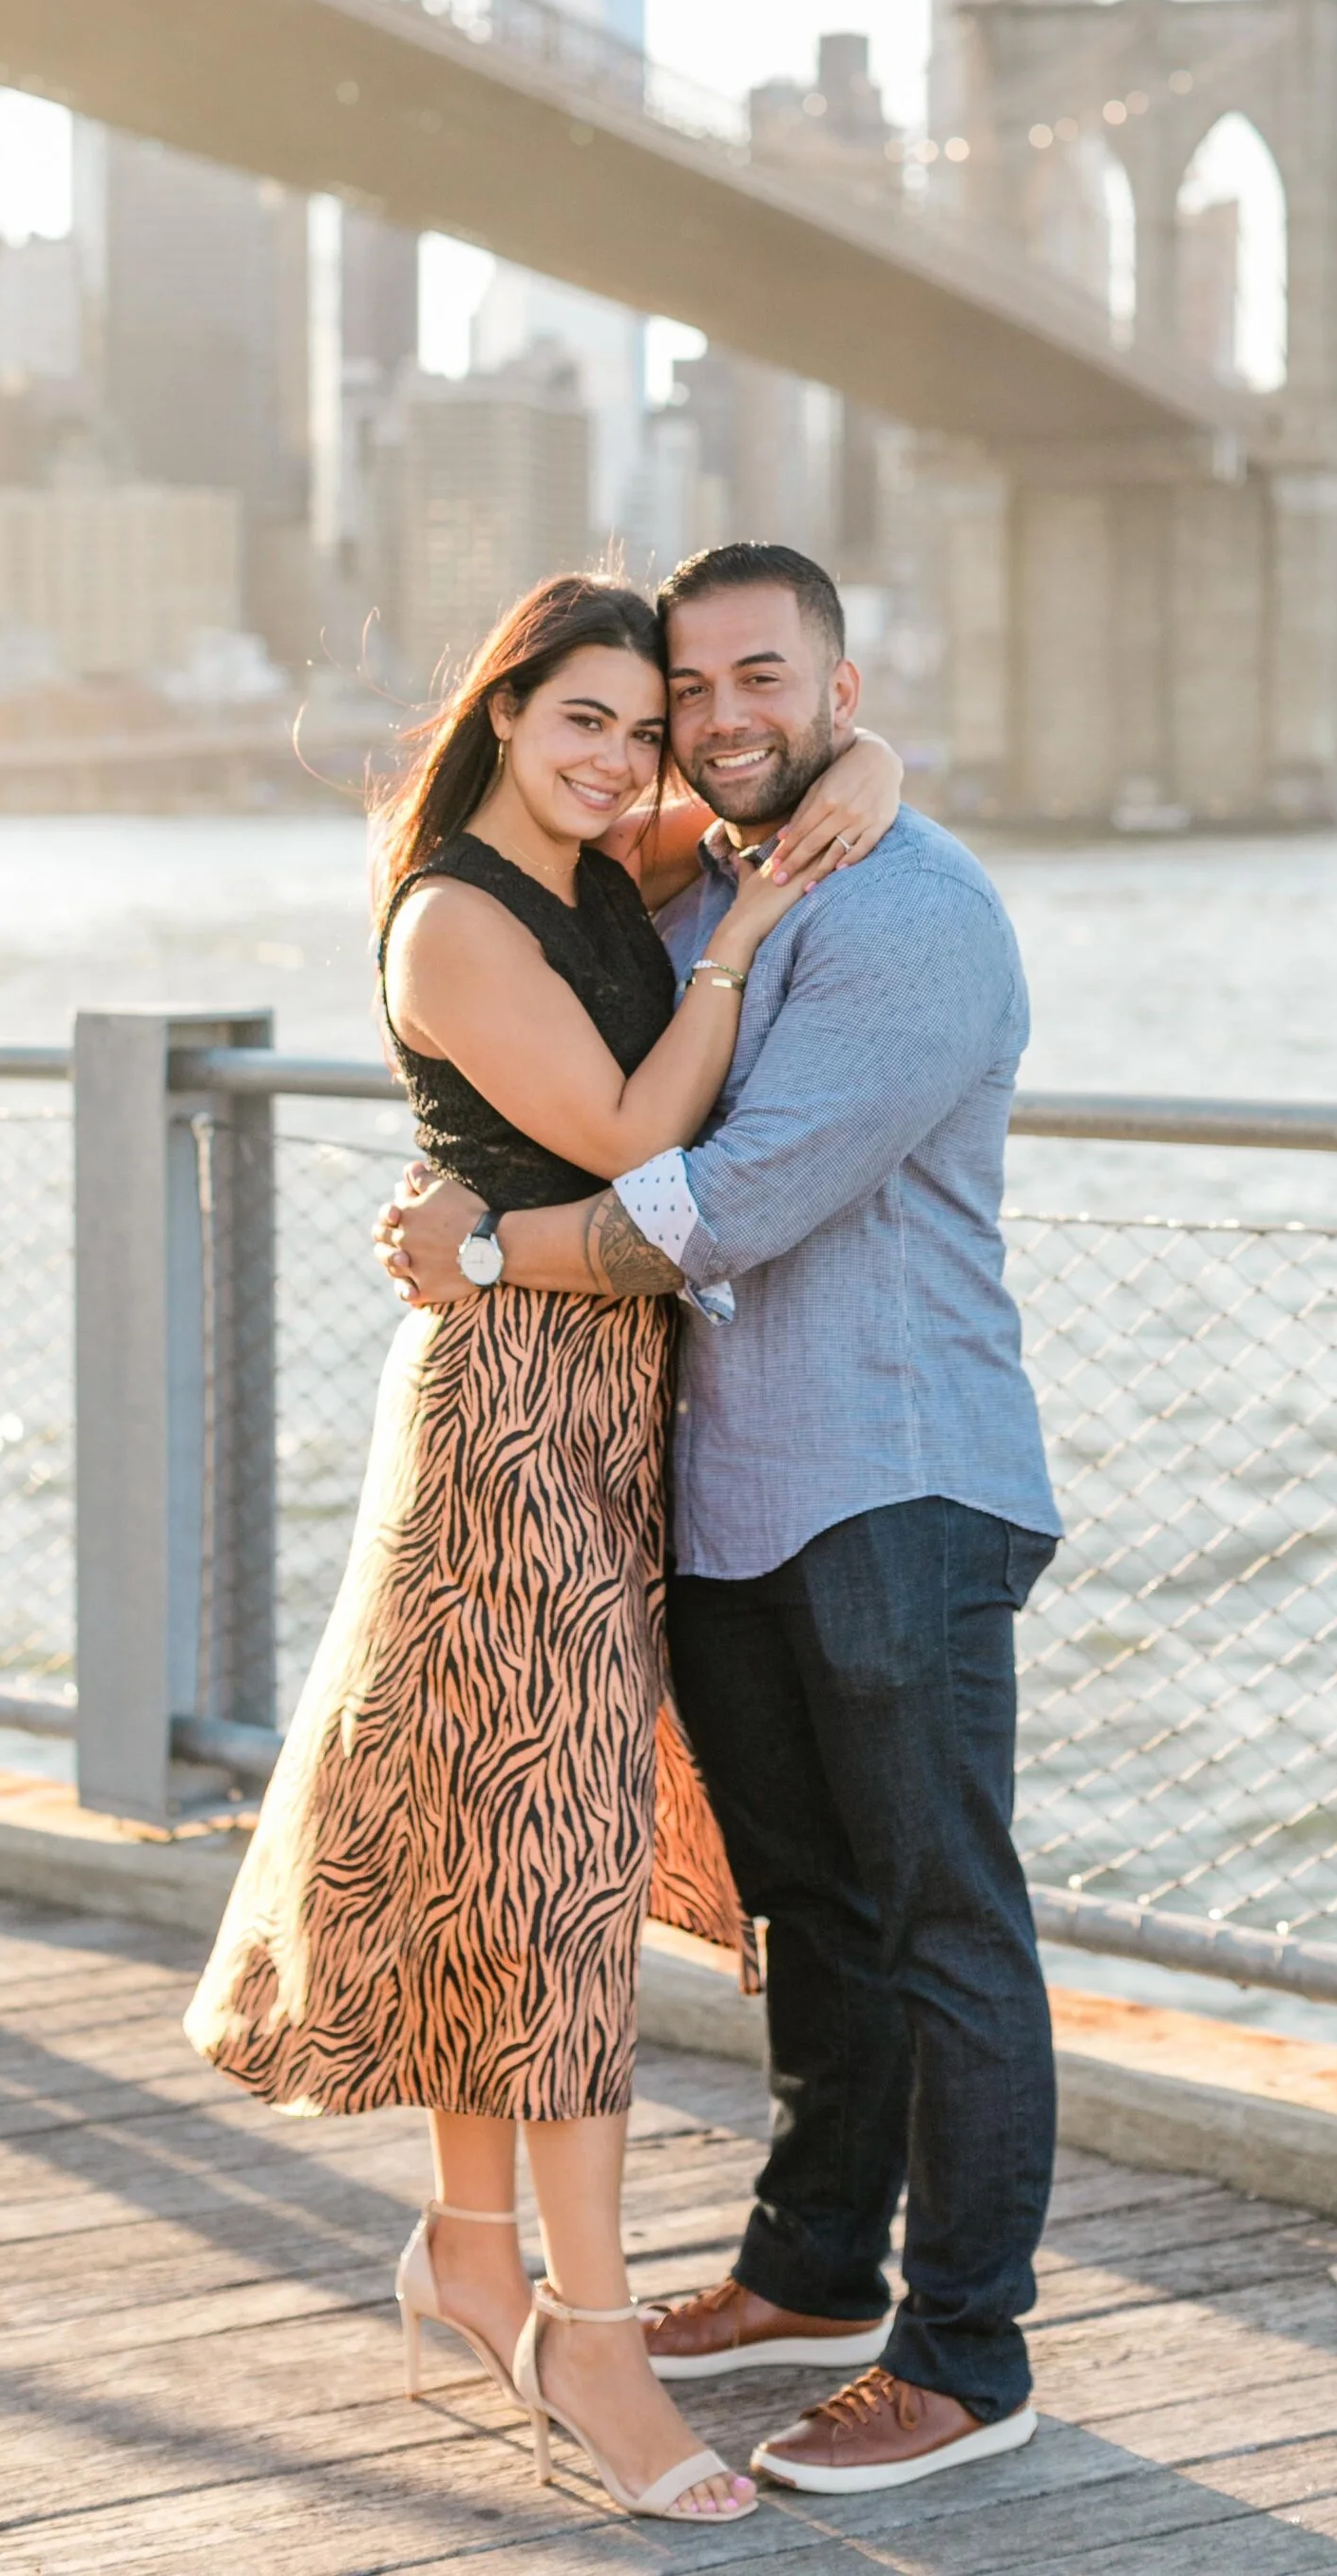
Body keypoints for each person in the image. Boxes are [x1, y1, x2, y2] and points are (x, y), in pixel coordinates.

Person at [183, 569, 904, 2528]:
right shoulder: (451, 921)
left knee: (525, 1854)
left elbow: (829, 781)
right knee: (557, 1880)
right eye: (577, 718)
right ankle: (584, 2330)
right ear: (500, 714)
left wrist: (862, 756)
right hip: (506, 1417)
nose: (615, 759)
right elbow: (619, 1134)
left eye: (636, 730)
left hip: (605, 1412)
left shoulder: (599, 862)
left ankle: (469, 2251)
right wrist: (745, 938)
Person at [383, 541, 1062, 2503]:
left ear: (838, 686)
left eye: (763, 679)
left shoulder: (908, 920)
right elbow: (555, 1002)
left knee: (942, 1923)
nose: (716, 718)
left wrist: (492, 1246)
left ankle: (963, 2353)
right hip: (726, 1491)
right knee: (817, 1920)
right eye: (689, 689)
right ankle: (808, 2271)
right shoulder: (704, 876)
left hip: (896, 1478)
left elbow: (725, 1203)